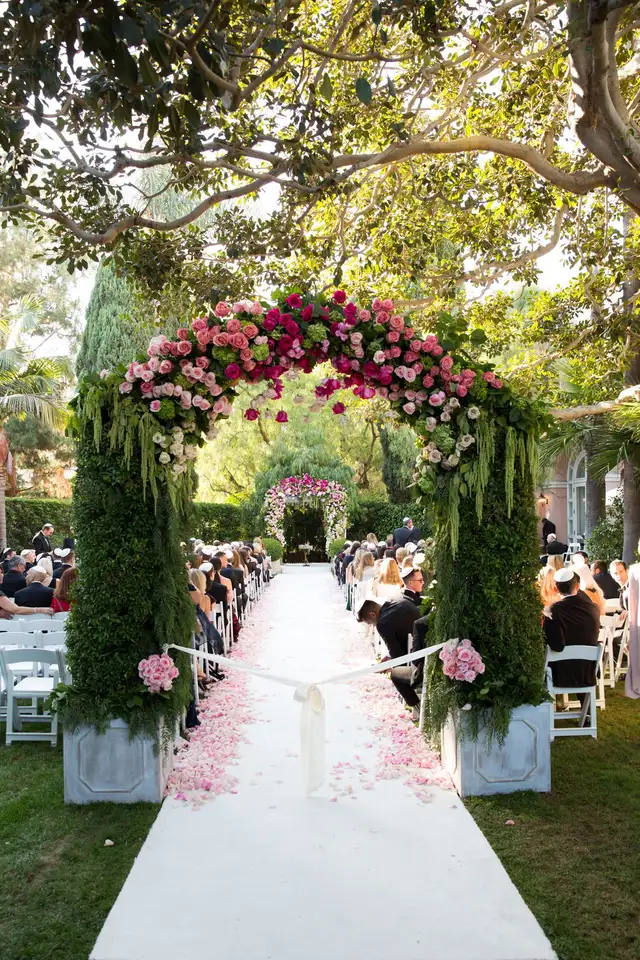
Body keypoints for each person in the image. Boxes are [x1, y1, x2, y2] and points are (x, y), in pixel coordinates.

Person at [356, 563, 425, 708]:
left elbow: (399, 658)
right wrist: (390, 659)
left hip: (420, 658)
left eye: (370, 622)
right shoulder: (394, 600)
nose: (372, 626)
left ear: (372, 614)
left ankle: (417, 706)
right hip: (420, 642)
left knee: (395, 675)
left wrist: (388, 666)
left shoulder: (382, 623)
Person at [543, 568, 600, 688]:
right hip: (587, 672)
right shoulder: (594, 608)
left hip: (560, 674)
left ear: (555, 589)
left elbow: (556, 645)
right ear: (578, 586)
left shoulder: (552, 611)